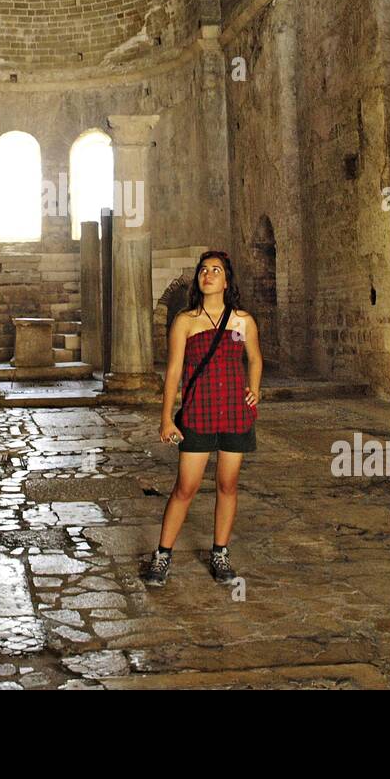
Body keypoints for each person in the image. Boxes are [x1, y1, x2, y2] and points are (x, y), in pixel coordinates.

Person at [142, 250, 263, 586]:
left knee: (227, 485)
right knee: (185, 487)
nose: (208, 275)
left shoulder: (242, 322)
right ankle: (163, 555)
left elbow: (254, 358)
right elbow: (174, 372)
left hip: (235, 414)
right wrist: (167, 418)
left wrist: (255, 388)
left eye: (216, 270)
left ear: (226, 281)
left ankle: (220, 553)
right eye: (203, 270)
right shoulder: (185, 321)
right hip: (198, 412)